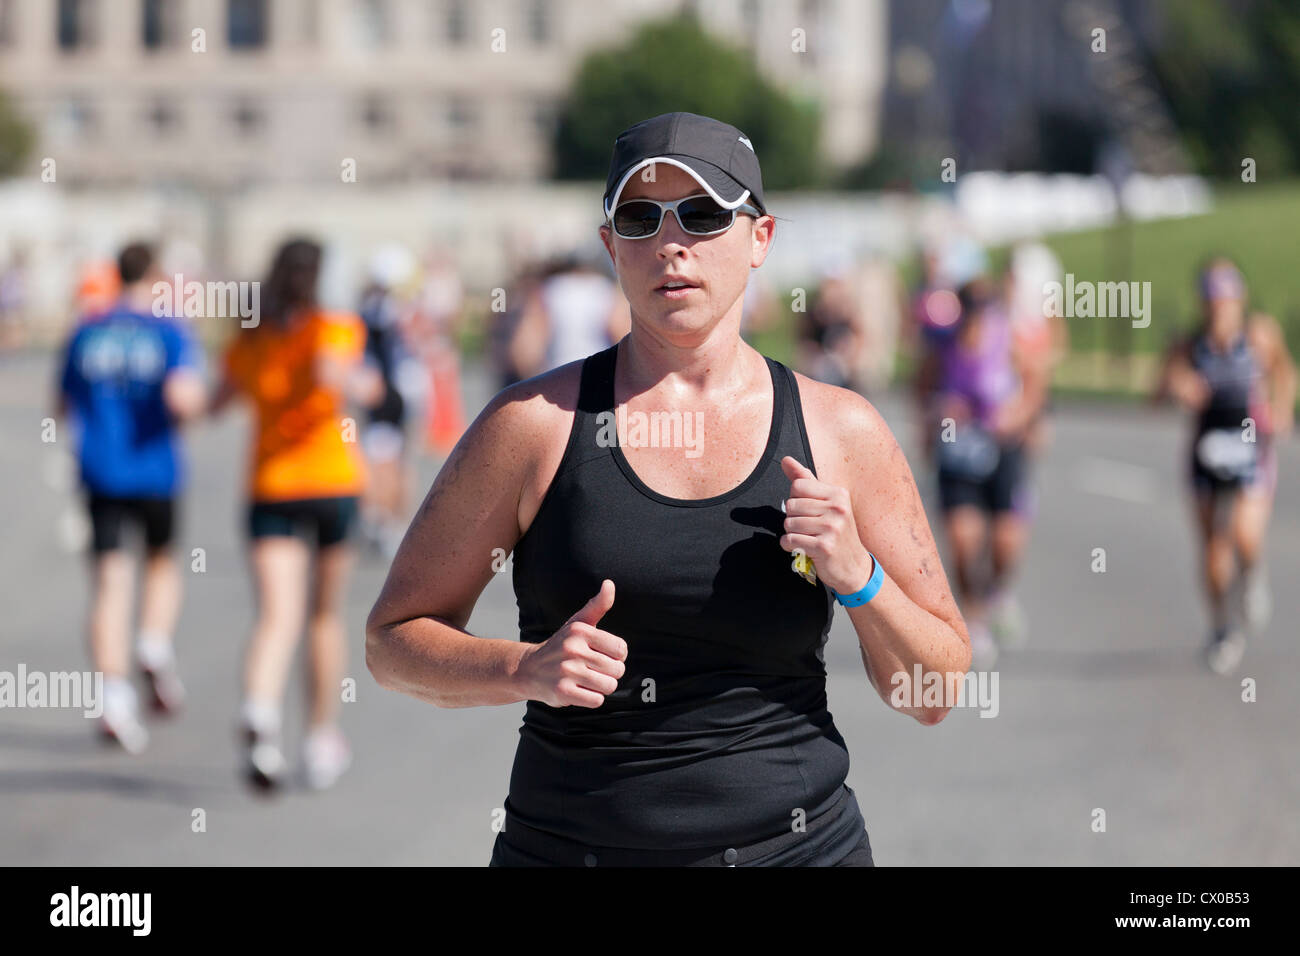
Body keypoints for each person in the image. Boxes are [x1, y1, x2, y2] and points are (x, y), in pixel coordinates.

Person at [367, 112, 970, 867]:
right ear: (610, 245)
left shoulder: (839, 429)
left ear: (761, 239)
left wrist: (860, 577)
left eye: (705, 214)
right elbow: (392, 642)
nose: (671, 242)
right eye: (640, 217)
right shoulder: (534, 425)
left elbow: (937, 688)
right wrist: (521, 669)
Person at [211, 238, 381, 790]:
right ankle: (318, 735)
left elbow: (217, 400)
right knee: (323, 616)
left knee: (276, 615)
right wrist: (353, 381)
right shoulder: (332, 327)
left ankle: (261, 713)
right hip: (332, 482)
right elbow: (362, 384)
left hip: (272, 486)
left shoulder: (255, 333)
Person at [55, 241, 206, 752]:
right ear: (157, 276)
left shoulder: (87, 329)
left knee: (108, 583)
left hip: (100, 471)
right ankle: (153, 642)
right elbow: (182, 396)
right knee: (161, 562)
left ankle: (114, 699)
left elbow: (62, 402)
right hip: (155, 470)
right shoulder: (169, 330)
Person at [1156, 258, 1295, 674]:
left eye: (1227, 300)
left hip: (1250, 446)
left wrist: (1281, 409)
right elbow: (1159, 390)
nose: (1220, 310)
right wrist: (1178, 386)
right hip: (1206, 451)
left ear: (1240, 299)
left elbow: (1285, 371)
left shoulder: (1260, 335)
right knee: (1214, 545)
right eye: (1213, 302)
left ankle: (1251, 578)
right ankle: (1222, 626)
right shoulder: (1188, 344)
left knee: (1245, 536)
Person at [927, 278, 1048, 668]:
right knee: (963, 541)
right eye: (972, 312)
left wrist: (1020, 415)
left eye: (985, 311)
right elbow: (923, 389)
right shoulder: (942, 346)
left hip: (1004, 450)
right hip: (959, 453)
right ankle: (974, 619)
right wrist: (937, 415)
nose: (978, 321)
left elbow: (1035, 382)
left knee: (1005, 544)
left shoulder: (1008, 340)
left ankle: (998, 592)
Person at [357, 244, 422, 559]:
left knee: (385, 458)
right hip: (403, 389)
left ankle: (385, 521)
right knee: (398, 458)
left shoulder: (383, 309)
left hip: (390, 390)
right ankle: (390, 522)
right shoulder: (404, 307)